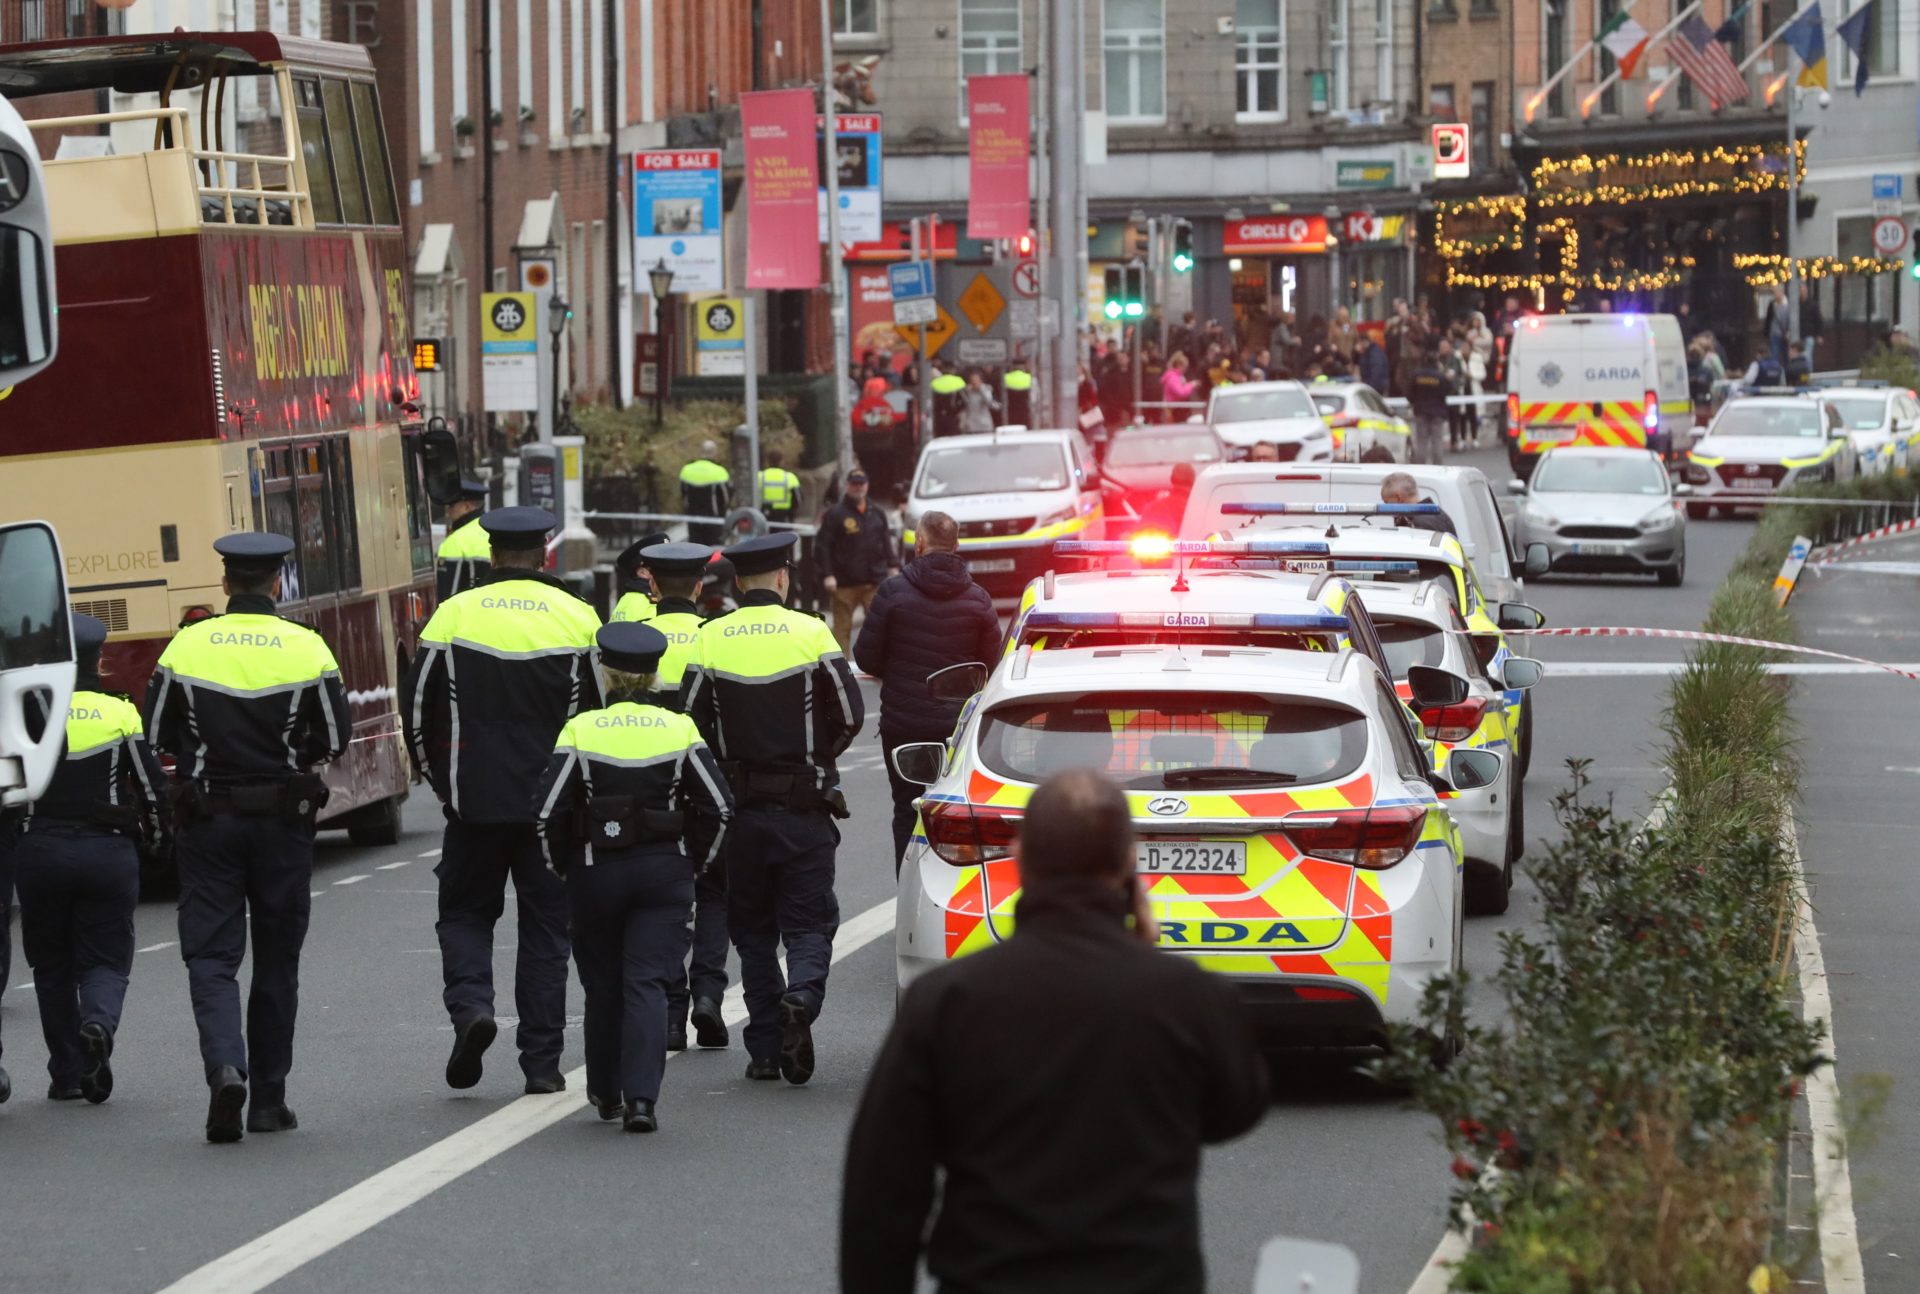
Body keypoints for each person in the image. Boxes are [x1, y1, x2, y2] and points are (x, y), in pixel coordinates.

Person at [840, 769, 1270, 1294]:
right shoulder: (1189, 997)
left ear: (1021, 861)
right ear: (1130, 865)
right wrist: (1149, 958)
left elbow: (882, 1188)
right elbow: (1235, 1108)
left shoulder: (947, 1001)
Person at [145, 532, 349, 1142]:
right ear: (279, 582)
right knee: (277, 960)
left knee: (211, 956)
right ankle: (267, 1101)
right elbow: (334, 737)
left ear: (226, 582)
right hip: (283, 826)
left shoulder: (186, 647)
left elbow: (160, 733)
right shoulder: (308, 648)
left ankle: (224, 1067)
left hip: (209, 822)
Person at [402, 507, 603, 1097]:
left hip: (473, 805)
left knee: (464, 914)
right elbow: (595, 716)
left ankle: (472, 1010)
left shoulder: (452, 616)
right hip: (553, 809)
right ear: (544, 554)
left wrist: (444, 786)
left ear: (493, 556)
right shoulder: (579, 618)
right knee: (547, 931)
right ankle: (541, 1063)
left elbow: (417, 715)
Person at [534, 623, 733, 1133]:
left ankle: (604, 1091)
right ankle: (643, 1101)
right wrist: (696, 863)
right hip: (666, 876)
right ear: (652, 676)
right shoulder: (681, 728)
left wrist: (564, 869)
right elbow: (720, 806)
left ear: (605, 673)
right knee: (647, 982)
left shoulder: (580, 729)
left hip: (595, 874)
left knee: (602, 986)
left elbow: (548, 812)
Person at [682, 532, 865, 1085]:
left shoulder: (710, 638)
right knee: (810, 924)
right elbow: (851, 714)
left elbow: (689, 720)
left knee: (753, 932)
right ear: (783, 578)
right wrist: (815, 760)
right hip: (804, 808)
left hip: (739, 814)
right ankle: (802, 997)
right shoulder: (811, 632)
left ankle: (763, 1048)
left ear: (738, 583)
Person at [14, 614, 167, 1106]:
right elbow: (150, 789)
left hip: (39, 853)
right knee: (104, 958)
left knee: (51, 965)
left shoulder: (26, 715)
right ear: (98, 662)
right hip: (106, 853)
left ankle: (67, 1075)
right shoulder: (119, 714)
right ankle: (97, 1024)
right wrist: (159, 841)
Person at [852, 511, 1001, 867]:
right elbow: (992, 665)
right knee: (957, 808)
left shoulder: (891, 593)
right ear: (957, 546)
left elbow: (866, 658)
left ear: (919, 543)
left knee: (906, 809)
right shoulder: (978, 599)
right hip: (958, 727)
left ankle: (908, 881)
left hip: (904, 725)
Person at [635, 542, 731, 1051]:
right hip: (708, 780)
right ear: (699, 587)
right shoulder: (715, 637)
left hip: (651, 790)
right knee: (715, 892)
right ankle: (709, 995)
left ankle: (671, 1013)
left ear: (652, 585)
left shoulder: (634, 641)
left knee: (664, 902)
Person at [818, 468, 897, 654]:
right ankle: (839, 671)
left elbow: (885, 541)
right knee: (841, 631)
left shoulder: (877, 512)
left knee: (880, 628)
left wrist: (893, 564)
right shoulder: (835, 514)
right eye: (854, 484)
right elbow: (822, 547)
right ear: (848, 486)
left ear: (867, 485)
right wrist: (827, 574)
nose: (858, 488)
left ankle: (877, 665)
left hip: (873, 582)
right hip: (844, 584)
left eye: (861, 484)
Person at [436, 478, 492, 599]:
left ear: (466, 507)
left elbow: (447, 599)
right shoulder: (497, 532)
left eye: (451, 505)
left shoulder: (456, 541)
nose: (447, 511)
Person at [609, 531, 671, 624]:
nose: (671, 569)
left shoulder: (628, 599)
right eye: (663, 565)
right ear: (643, 573)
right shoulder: (653, 605)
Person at [680, 443, 731, 545]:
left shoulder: (686, 470)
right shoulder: (719, 471)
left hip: (693, 518)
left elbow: (683, 495)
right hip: (713, 518)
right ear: (714, 453)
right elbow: (726, 498)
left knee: (695, 549)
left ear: (700, 452)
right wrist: (723, 513)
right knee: (713, 550)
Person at [1407, 347, 1451, 465]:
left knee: (1421, 443)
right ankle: (1438, 468)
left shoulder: (1416, 376)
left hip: (1421, 412)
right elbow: (1447, 391)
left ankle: (1421, 468)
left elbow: (1409, 394)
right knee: (1437, 443)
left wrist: (1415, 403)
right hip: (1437, 413)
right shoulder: (1440, 377)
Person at [1381, 470, 1458, 534]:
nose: (1387, 508)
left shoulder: (1417, 525)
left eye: (1387, 502)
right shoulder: (1439, 515)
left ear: (1398, 498)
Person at [1136, 461, 1196, 534]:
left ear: (1171, 479)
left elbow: (1140, 534)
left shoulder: (1152, 507)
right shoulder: (1200, 509)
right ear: (1193, 482)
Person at [759, 450, 801, 525]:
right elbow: (798, 500)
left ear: (768, 462)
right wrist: (791, 515)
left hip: (763, 515)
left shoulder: (759, 476)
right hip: (784, 517)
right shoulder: (790, 477)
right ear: (781, 462)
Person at [959, 369, 999, 435]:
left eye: (976, 380)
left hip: (984, 424)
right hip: (971, 425)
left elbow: (989, 402)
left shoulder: (986, 389)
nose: (974, 382)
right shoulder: (968, 391)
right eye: (972, 381)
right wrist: (966, 392)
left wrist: (981, 390)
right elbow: (964, 404)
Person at [1159, 353, 1197, 423]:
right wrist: (1191, 385)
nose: (1186, 369)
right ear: (1179, 365)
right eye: (1185, 367)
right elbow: (1181, 393)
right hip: (1175, 410)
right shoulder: (1172, 377)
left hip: (1178, 408)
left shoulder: (1179, 376)